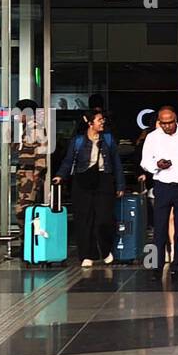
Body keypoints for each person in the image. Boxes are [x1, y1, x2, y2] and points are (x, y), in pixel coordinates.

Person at [139, 106, 178, 281]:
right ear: (159, 122)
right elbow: (145, 162)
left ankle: (177, 268)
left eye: (170, 122)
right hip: (163, 185)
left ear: (176, 120)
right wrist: (157, 165)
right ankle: (154, 268)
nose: (167, 126)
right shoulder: (153, 137)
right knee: (158, 230)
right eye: (164, 123)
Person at [53, 110, 124, 267]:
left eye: (103, 120)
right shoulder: (78, 141)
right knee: (84, 219)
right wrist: (60, 176)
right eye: (99, 120)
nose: (102, 122)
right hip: (82, 180)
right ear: (89, 122)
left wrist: (120, 185)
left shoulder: (108, 139)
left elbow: (116, 163)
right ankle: (87, 254)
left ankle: (105, 250)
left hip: (104, 179)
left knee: (104, 218)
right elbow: (68, 161)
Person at [12, 98, 47, 229]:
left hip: (30, 174)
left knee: (24, 209)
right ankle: (26, 241)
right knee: (24, 208)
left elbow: (41, 151)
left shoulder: (36, 128)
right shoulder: (26, 128)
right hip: (24, 173)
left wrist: (37, 173)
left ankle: (26, 242)